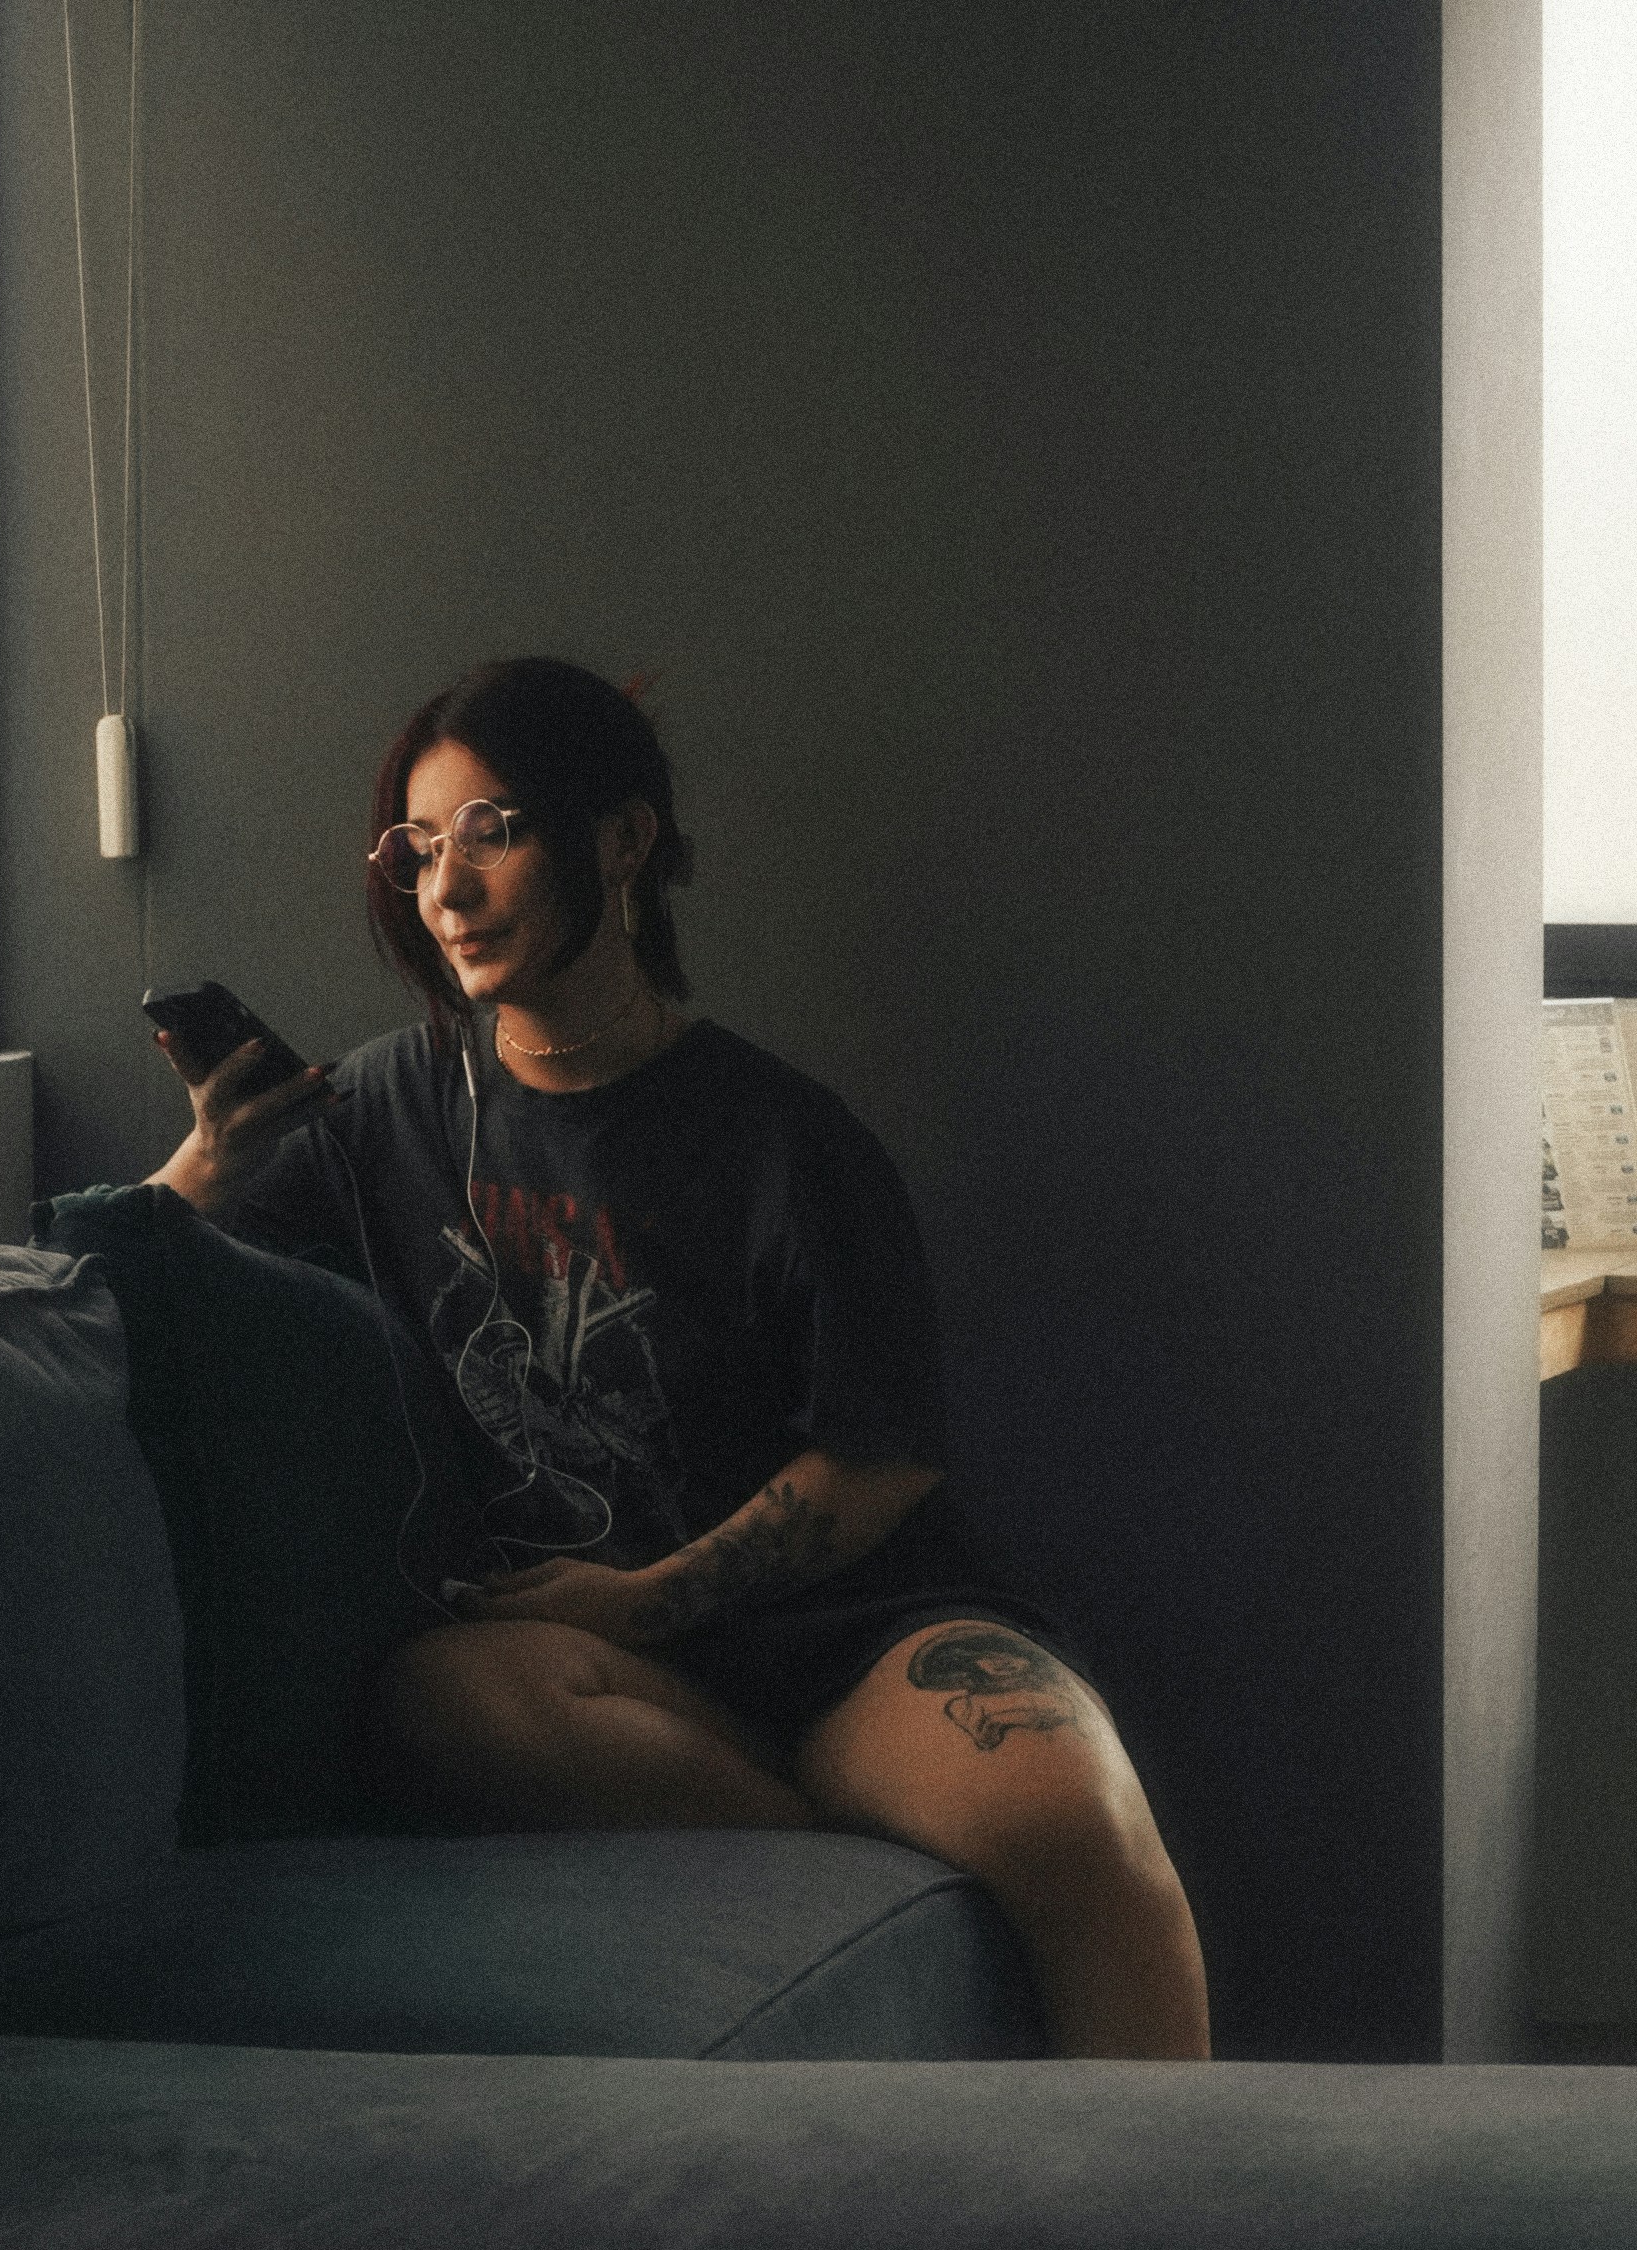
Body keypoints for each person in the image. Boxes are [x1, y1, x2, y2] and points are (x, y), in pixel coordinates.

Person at [154, 658, 1215, 2063]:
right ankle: (870, 1852)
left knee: (1078, 1837)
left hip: (851, 1636)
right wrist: (202, 1166)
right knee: (443, 1699)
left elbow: (879, 1466)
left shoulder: (783, 1141)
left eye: (494, 832)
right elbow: (128, 1282)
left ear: (624, 839)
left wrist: (648, 1600)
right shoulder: (387, 1111)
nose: (447, 890)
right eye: (418, 849)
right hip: (599, 1680)